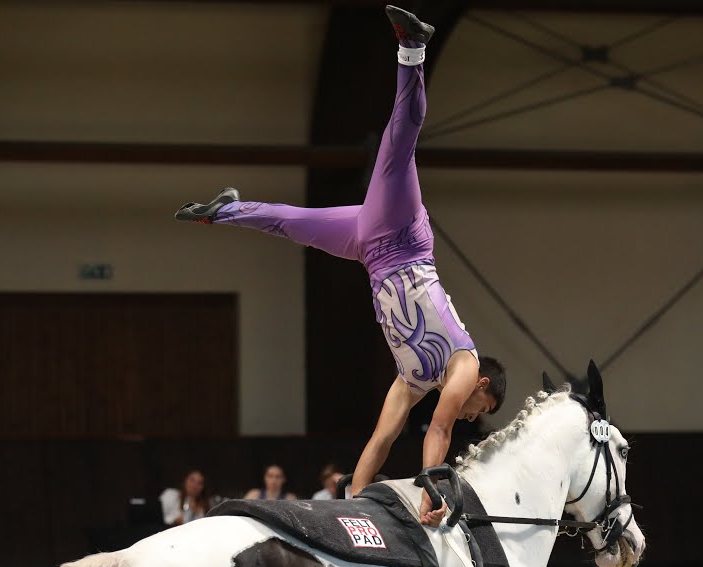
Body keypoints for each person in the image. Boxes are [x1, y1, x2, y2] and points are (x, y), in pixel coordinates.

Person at [176, 5, 506, 528]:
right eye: (479, 410)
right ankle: (412, 50)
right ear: (483, 385)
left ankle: (224, 209)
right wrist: (431, 495)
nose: (471, 414)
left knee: (293, 223)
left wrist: (354, 506)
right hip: (400, 235)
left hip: (367, 249)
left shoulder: (411, 380)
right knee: (399, 144)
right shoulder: (464, 366)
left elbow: (381, 441)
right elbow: (439, 432)